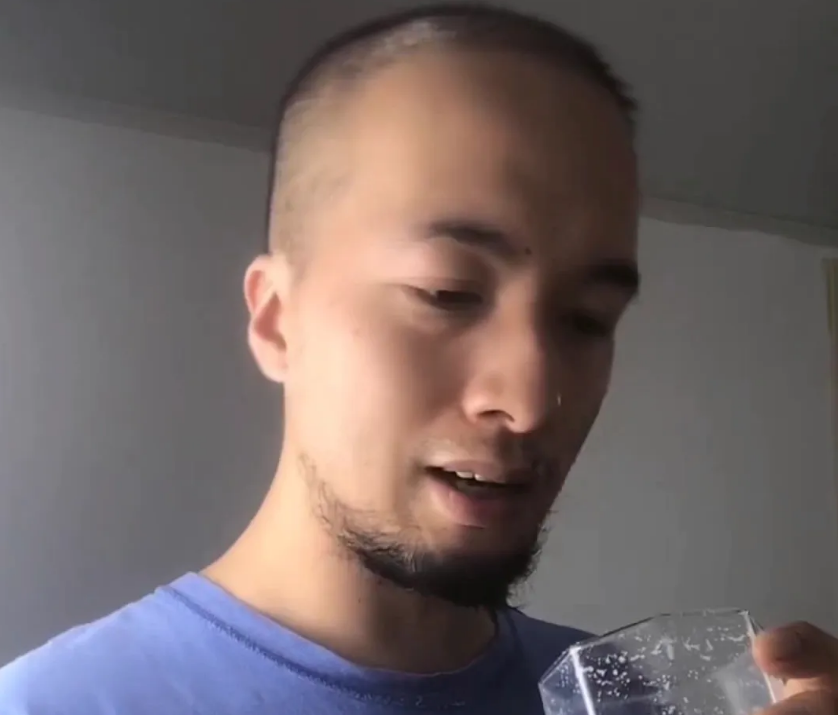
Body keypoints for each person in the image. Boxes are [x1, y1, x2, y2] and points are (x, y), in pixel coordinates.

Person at [1, 4, 837, 714]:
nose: (532, 400)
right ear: (277, 321)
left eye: (587, 319)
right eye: (447, 292)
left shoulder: (633, 700)